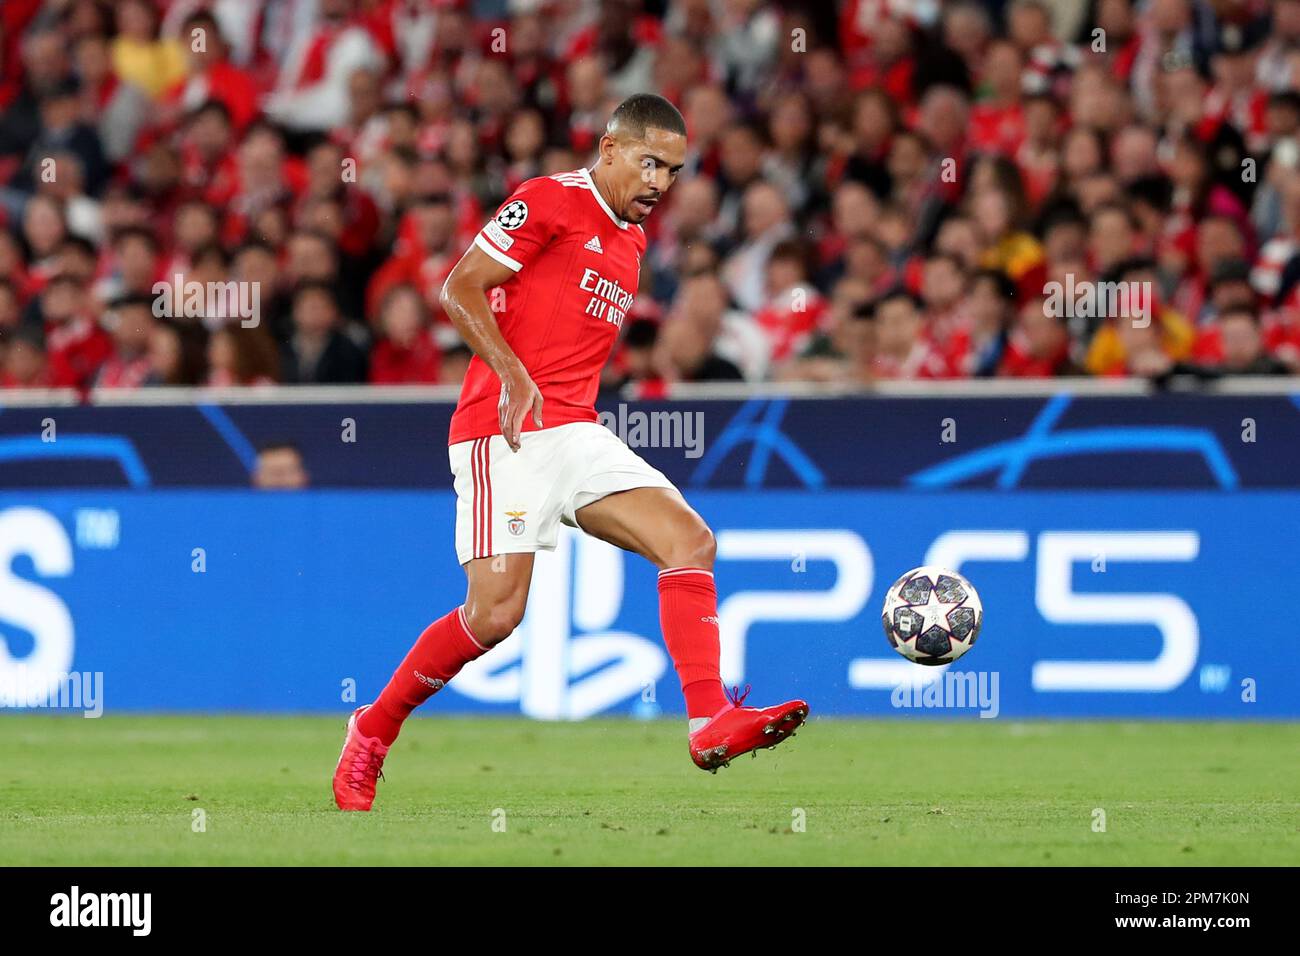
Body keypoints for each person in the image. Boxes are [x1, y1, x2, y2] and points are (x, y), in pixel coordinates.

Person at [333, 94, 807, 812]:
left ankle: (709, 722)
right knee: (494, 615)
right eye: (649, 164)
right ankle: (372, 728)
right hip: (504, 430)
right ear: (609, 149)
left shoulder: (633, 241)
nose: (660, 183)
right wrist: (513, 371)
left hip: (578, 432)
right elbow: (459, 287)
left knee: (690, 541)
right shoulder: (549, 199)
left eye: (673, 172)